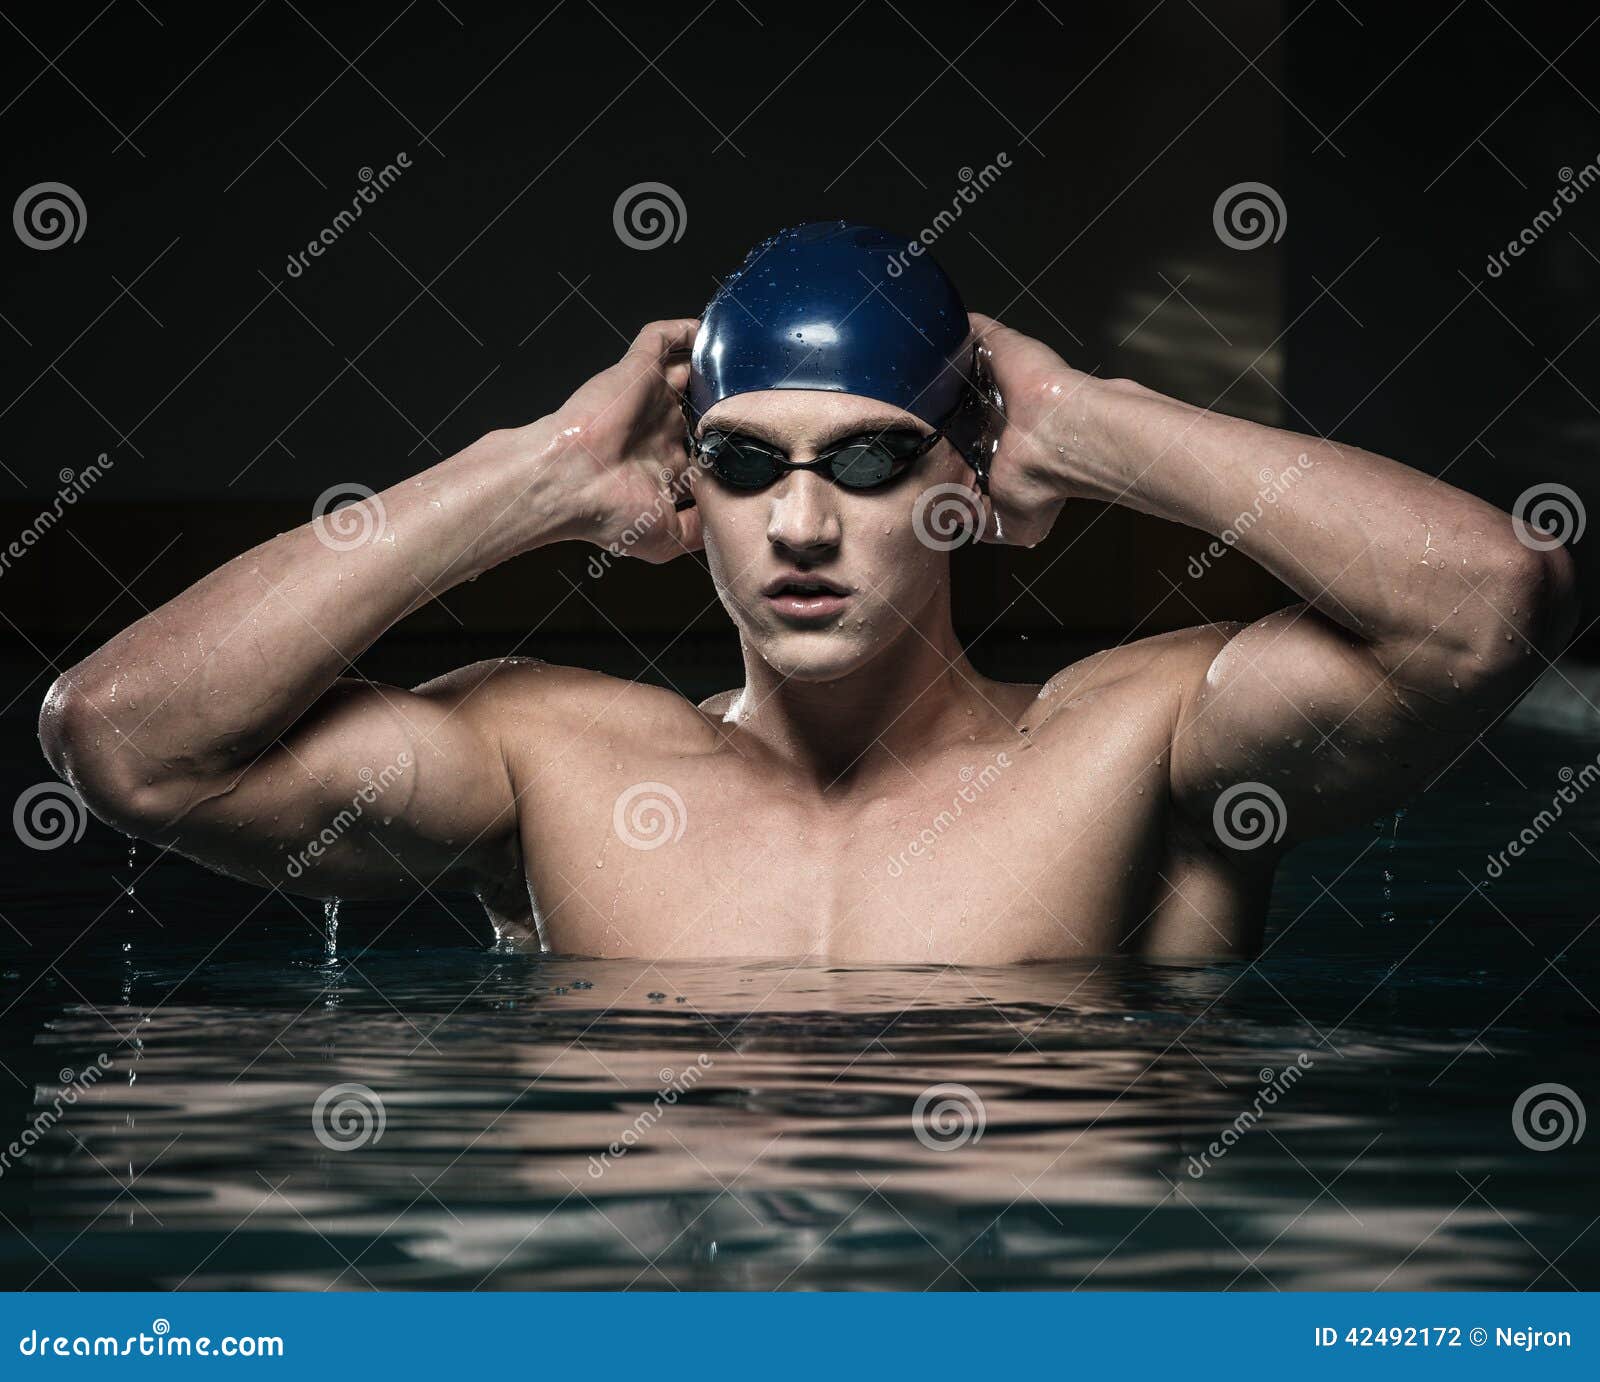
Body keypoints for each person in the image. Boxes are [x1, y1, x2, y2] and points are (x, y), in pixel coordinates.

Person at [39, 222, 1578, 962]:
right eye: (741, 462)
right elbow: (123, 740)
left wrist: (1096, 422)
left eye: (868, 462)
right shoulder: (555, 764)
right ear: (684, 495)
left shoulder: (1137, 750)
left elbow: (1493, 601)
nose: (799, 522)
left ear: (962, 489)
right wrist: (529, 472)